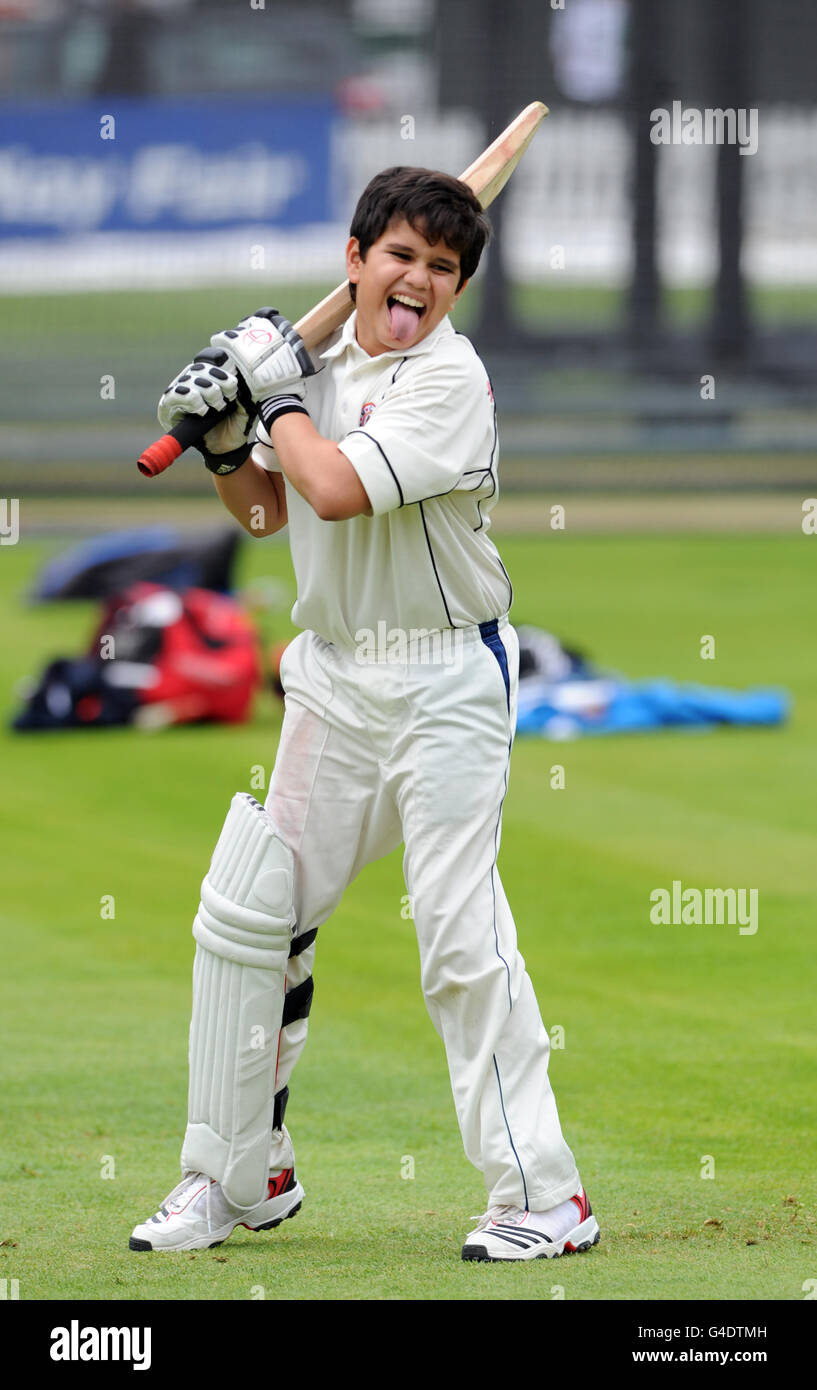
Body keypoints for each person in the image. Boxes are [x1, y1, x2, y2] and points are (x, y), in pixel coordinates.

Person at [129, 167, 600, 1263]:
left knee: (455, 933)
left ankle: (544, 1195)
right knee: (251, 916)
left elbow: (335, 486)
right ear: (355, 259)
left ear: (455, 292)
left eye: (442, 269)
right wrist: (216, 435)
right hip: (334, 674)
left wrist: (274, 388)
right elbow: (266, 509)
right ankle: (236, 1173)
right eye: (399, 256)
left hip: (445, 680)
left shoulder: (450, 382)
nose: (418, 280)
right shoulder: (325, 361)